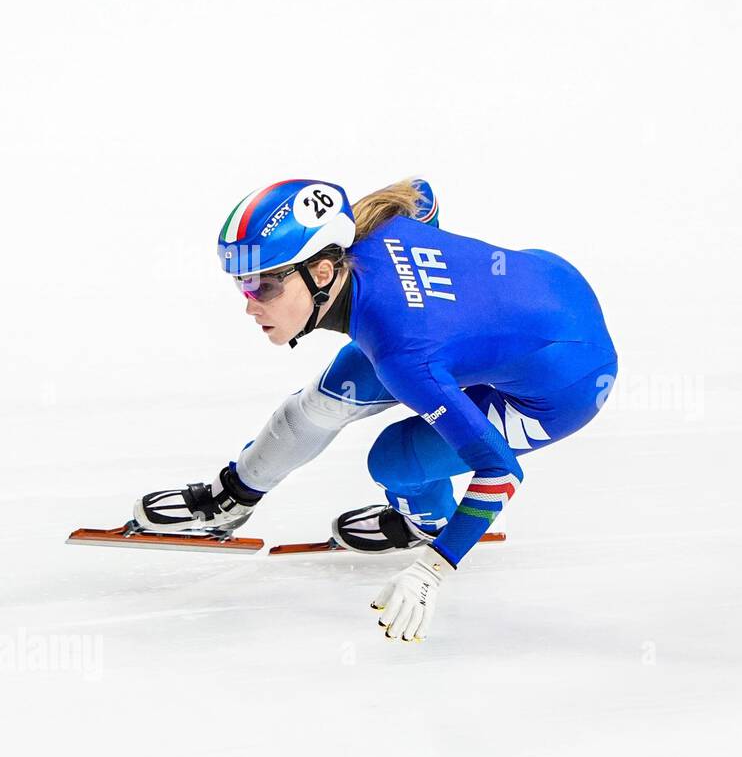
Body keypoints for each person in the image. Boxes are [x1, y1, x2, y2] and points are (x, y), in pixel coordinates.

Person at [134, 178, 617, 642]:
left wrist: (434, 566)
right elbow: (421, 195)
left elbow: (499, 470)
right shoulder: (369, 234)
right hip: (545, 283)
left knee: (395, 459)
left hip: (567, 381)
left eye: (262, 286)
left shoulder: (404, 356)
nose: (249, 304)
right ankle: (233, 495)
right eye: (242, 284)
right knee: (326, 399)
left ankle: (423, 521)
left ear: (322, 272)